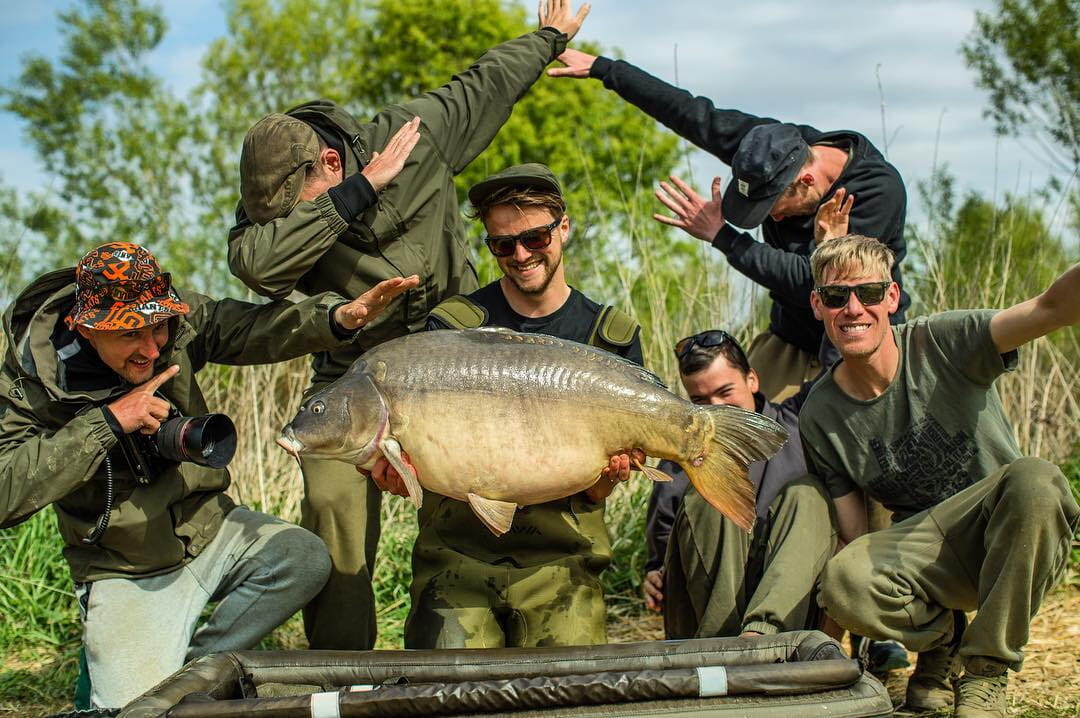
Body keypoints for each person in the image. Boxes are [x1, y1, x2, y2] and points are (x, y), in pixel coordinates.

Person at [227, 0, 593, 650]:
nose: (288, 223)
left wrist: (548, 37)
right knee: (333, 512)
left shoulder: (414, 135)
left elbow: (486, 82)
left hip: (452, 368)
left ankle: (474, 627)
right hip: (353, 376)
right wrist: (354, 195)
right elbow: (254, 265)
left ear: (329, 161)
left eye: (301, 207)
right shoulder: (280, 198)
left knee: (472, 506)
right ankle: (343, 671)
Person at [0, 242, 415, 708]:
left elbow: (252, 327)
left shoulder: (179, 318)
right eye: (131, 335)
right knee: (135, 710)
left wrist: (336, 319)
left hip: (210, 528)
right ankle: (143, 670)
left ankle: (199, 671)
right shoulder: (30, 382)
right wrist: (108, 423)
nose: (151, 348)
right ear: (85, 327)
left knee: (304, 557)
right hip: (126, 566)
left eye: (159, 328)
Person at [800, 235, 1079, 717]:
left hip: (1009, 537)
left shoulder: (945, 340)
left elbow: (1051, 308)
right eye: (835, 296)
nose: (852, 309)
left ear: (891, 297)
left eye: (867, 293)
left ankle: (985, 674)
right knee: (844, 580)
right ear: (817, 306)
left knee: (1037, 477)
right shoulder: (819, 414)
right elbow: (856, 536)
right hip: (927, 556)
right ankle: (944, 642)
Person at [368, 163, 644, 648]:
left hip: (562, 557)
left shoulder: (609, 337)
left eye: (535, 238)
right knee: (449, 692)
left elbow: (599, 492)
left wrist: (610, 477)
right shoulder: (451, 329)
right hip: (458, 555)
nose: (520, 254)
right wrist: (397, 475)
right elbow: (418, 458)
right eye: (502, 244)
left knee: (569, 695)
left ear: (564, 228)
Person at [548, 48, 908, 401]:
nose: (773, 219)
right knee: (744, 433)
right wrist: (606, 70)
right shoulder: (768, 149)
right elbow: (694, 115)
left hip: (862, 338)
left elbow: (810, 284)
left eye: (775, 207)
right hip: (790, 340)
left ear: (808, 181)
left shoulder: (877, 190)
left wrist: (723, 237)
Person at [643, 330, 834, 639]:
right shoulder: (677, 455)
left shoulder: (798, 422)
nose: (717, 409)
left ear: (752, 380)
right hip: (705, 626)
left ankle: (759, 640)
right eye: (700, 401)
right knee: (710, 493)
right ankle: (726, 653)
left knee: (809, 494)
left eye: (726, 392)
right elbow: (661, 552)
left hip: (788, 619)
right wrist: (653, 574)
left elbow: (842, 367)